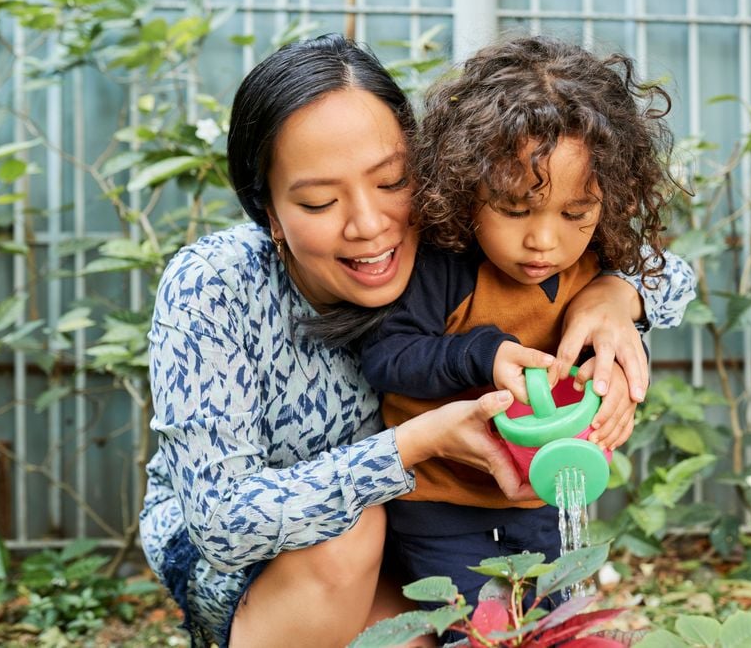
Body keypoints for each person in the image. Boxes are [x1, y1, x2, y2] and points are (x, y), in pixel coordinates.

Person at [138, 34, 693, 648]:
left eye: (391, 181)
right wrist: (414, 444)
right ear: (267, 208)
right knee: (352, 537)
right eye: (320, 201)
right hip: (266, 564)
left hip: (420, 547)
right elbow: (222, 525)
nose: (369, 224)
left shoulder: (466, 218)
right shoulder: (215, 286)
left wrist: (615, 297)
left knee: (500, 627)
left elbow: (651, 261)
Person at [359, 35, 696, 620]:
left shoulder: (595, 267)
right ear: (467, 188)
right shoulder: (446, 266)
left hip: (546, 494)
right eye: (515, 209)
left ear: (608, 203)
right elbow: (386, 357)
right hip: (444, 502)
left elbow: (672, 283)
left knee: (553, 620)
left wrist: (610, 381)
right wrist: (483, 354)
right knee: (482, 628)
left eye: (575, 214)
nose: (544, 240)